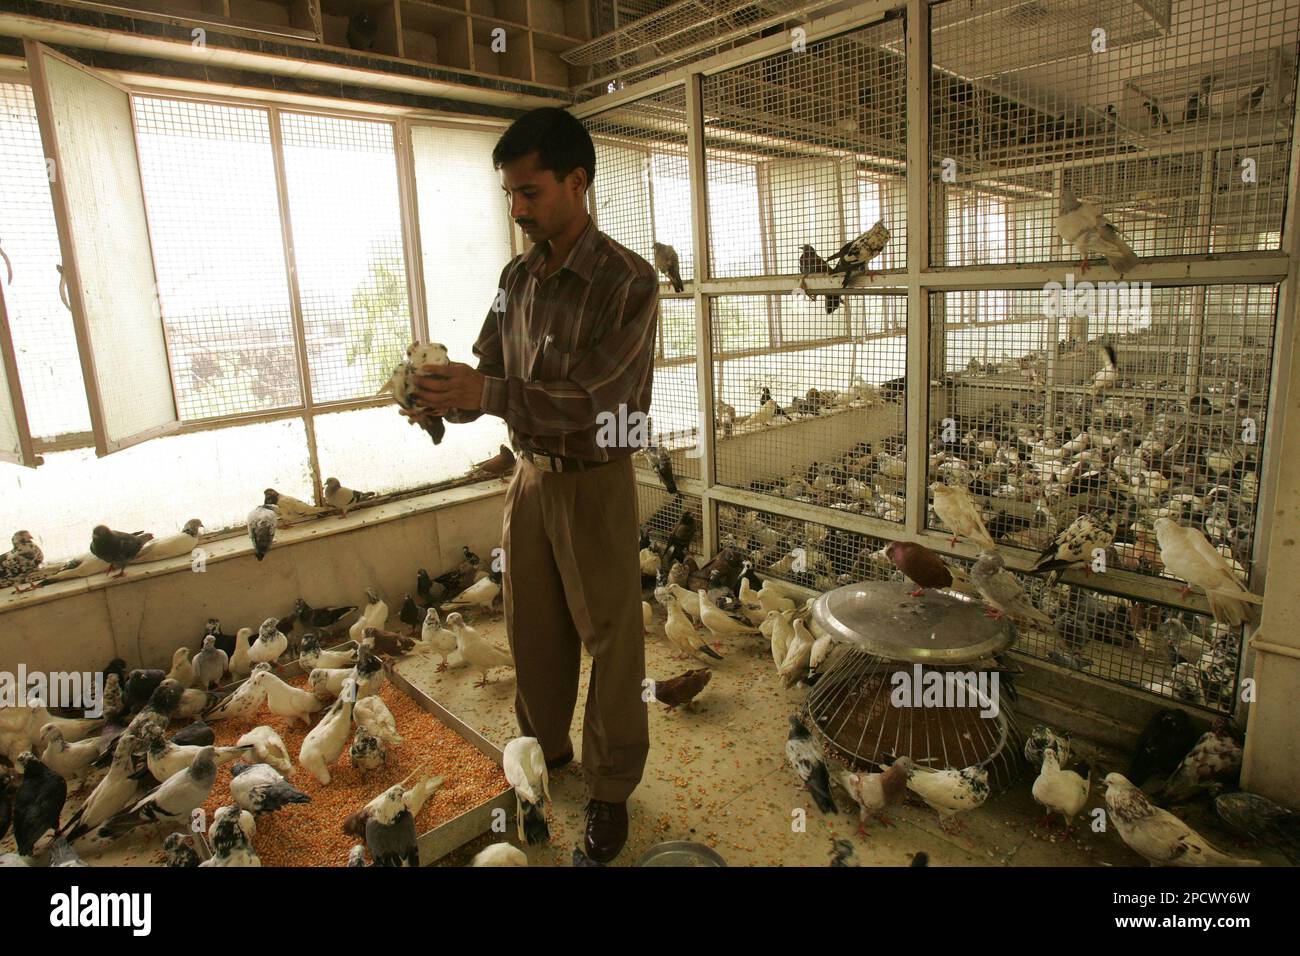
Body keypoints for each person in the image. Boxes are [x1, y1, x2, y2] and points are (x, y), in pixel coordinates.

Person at [410, 107, 659, 863]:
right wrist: (439, 396)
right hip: (529, 481)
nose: (516, 210)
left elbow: (599, 401)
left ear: (576, 182)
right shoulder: (513, 279)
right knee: (532, 629)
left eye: (531, 193)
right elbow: (490, 367)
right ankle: (545, 756)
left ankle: (610, 791)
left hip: (594, 477)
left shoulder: (628, 283)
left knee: (613, 642)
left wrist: (483, 394)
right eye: (510, 196)